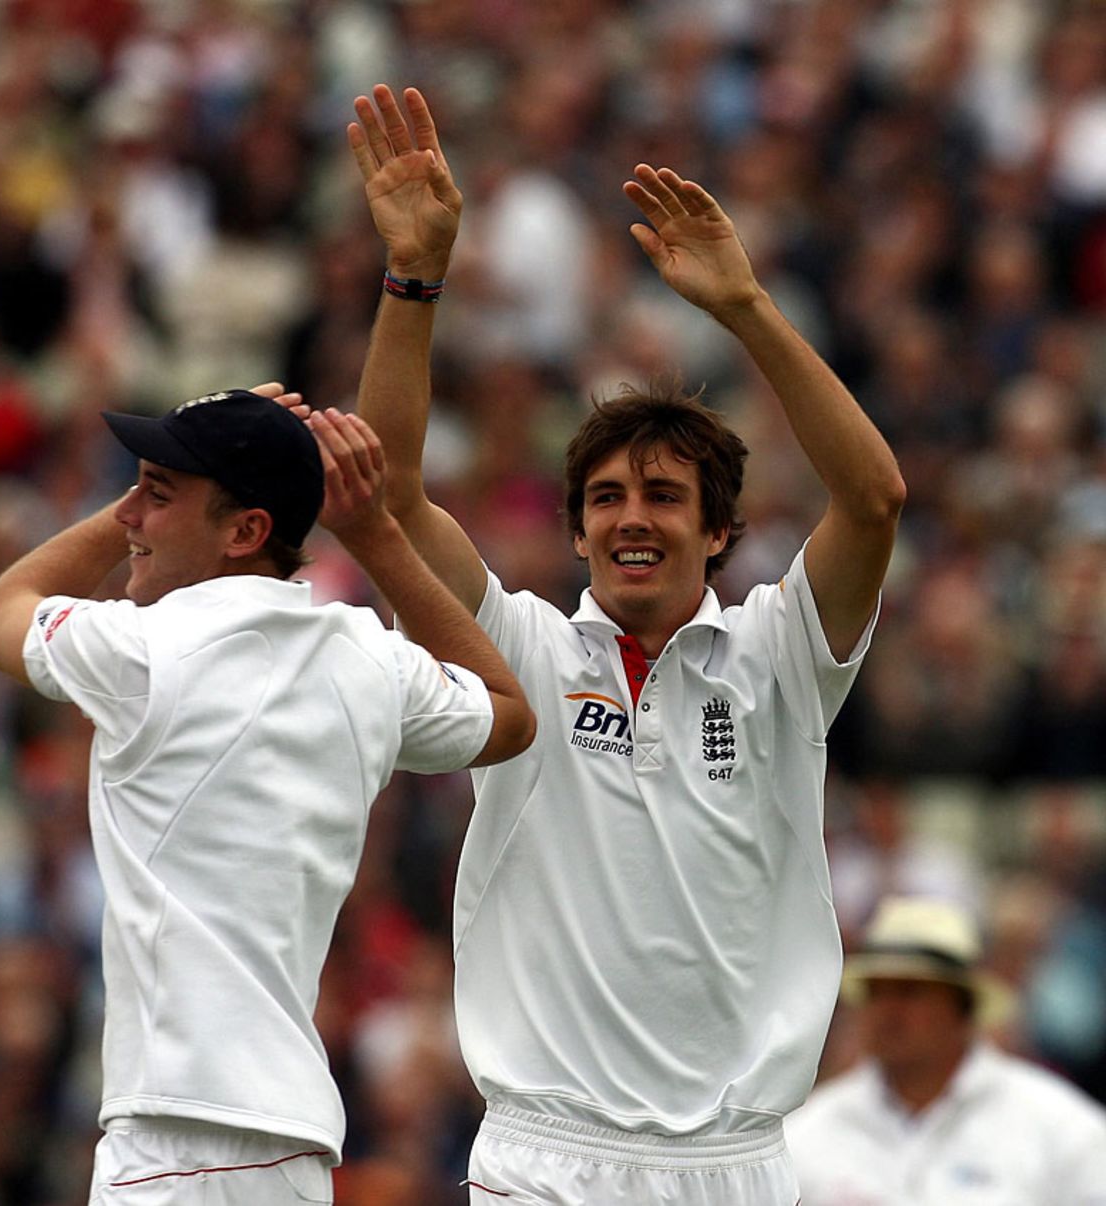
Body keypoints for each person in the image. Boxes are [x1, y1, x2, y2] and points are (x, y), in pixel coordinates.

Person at [347, 84, 907, 1205]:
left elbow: (874, 496)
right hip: (542, 1157)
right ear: (575, 527)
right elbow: (395, 497)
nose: (630, 517)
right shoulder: (519, 651)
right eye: (603, 498)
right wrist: (414, 279)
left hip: (730, 1163)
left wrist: (743, 307)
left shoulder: (778, 659)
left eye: (662, 495)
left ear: (719, 532)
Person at [0, 384, 535, 1205]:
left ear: (245, 530)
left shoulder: (141, 649)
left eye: (156, 495)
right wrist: (372, 532)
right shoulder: (369, 657)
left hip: (170, 1136)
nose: (132, 516)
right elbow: (511, 716)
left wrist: (110, 517)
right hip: (296, 1149)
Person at [785, 895, 1106, 1204]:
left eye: (909, 990)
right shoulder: (806, 1133)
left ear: (962, 1008)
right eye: (875, 991)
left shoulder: (1062, 1130)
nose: (887, 1010)